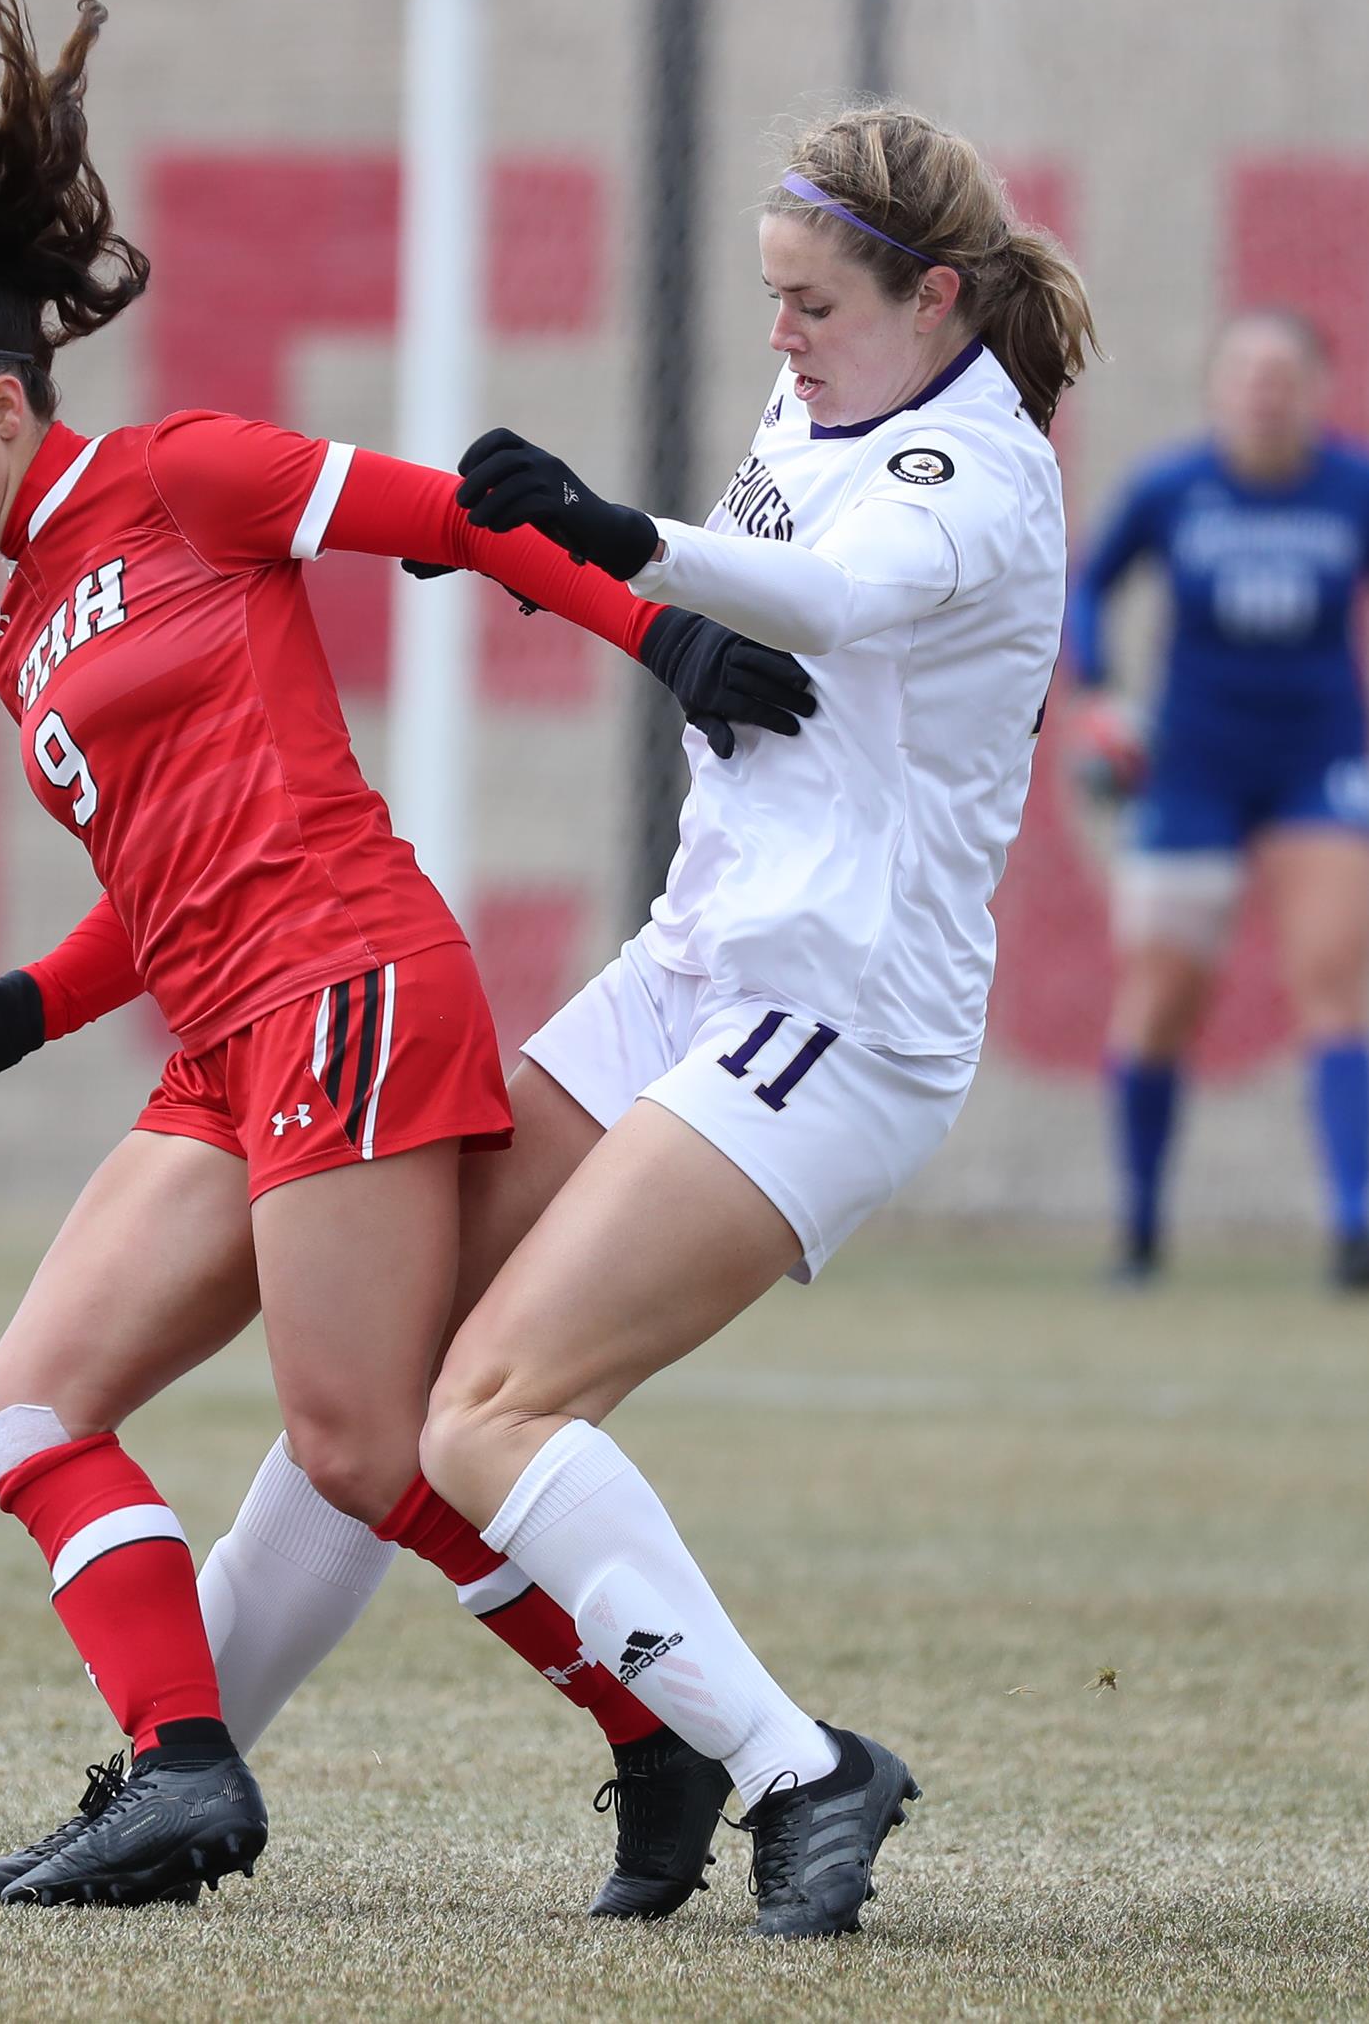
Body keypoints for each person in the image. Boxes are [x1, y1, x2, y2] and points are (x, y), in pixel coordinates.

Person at [0, 0, 813, 1911]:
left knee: (368, 1448)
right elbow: (162, 884)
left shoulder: (184, 479)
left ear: (5, 406)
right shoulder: (20, 629)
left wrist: (662, 635)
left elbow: (452, 513)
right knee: (32, 1408)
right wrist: (26, 1000)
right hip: (226, 1037)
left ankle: (660, 1739)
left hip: (344, 989)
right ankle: (185, 1773)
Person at [404, 103, 1095, 1940]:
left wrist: (619, 535)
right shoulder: (826, 400)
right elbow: (758, 619)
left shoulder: (979, 472)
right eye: (771, 295)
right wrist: (591, 581)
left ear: (933, 297)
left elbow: (836, 596)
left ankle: (797, 1767)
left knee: (487, 1412)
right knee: (390, 1362)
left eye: (813, 302)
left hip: (836, 1011)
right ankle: (190, 1756)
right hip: (700, 954)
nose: (779, 334)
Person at [1069, 310, 1369, 1292]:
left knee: (1333, 977)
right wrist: (1100, 694)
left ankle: (1353, 1233)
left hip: (1318, 763)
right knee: (1160, 995)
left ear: (1317, 390)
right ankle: (1138, 1236)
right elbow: (1087, 588)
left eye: (1283, 374)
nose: (1264, 392)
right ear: (1215, 391)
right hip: (1191, 768)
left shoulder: (1362, 491)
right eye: (1246, 374)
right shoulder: (1172, 488)